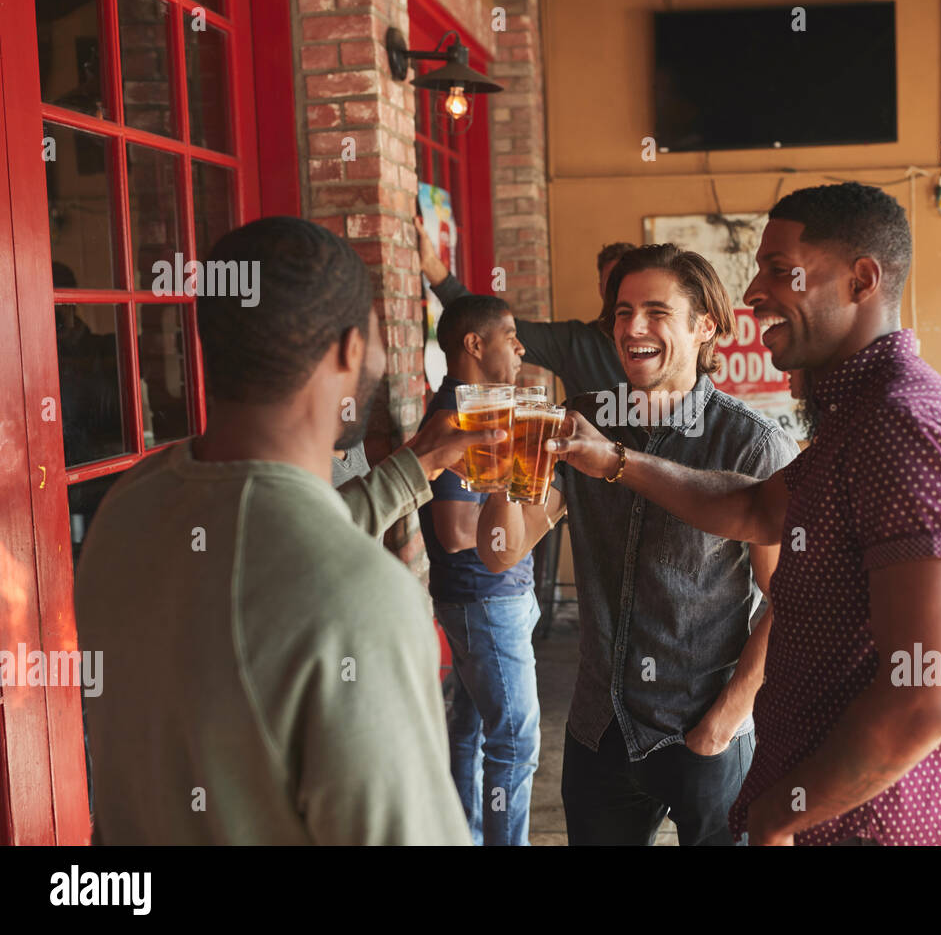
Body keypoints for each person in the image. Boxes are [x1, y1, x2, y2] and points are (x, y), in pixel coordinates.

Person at [547, 183, 941, 846]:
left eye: (777, 269)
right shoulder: (859, 417)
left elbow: (926, 697)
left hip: (864, 827)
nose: (753, 293)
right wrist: (614, 460)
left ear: (861, 280)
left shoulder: (904, 425)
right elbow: (755, 508)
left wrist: (780, 812)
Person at [75, 217, 502, 844]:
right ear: (350, 349)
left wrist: (416, 466)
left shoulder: (133, 504)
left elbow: (266, 552)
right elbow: (291, 559)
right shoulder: (364, 602)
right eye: (380, 333)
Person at [476, 244, 799, 846]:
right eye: (623, 312)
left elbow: (790, 600)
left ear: (705, 326)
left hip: (704, 731)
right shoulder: (583, 421)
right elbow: (502, 552)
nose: (633, 328)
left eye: (656, 311)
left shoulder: (752, 446)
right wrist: (503, 474)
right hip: (600, 730)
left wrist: (725, 721)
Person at [414, 294, 542, 847]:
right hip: (484, 601)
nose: (519, 346)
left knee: (468, 729)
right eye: (508, 334)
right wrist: (541, 514)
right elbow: (458, 532)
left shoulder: (486, 410)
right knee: (515, 743)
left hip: (496, 596)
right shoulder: (454, 420)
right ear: (473, 345)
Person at [418, 215, 632, 396]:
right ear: (601, 289)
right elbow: (488, 323)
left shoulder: (663, 341)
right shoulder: (575, 343)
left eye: (627, 282)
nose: (620, 292)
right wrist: (433, 270)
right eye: (612, 283)